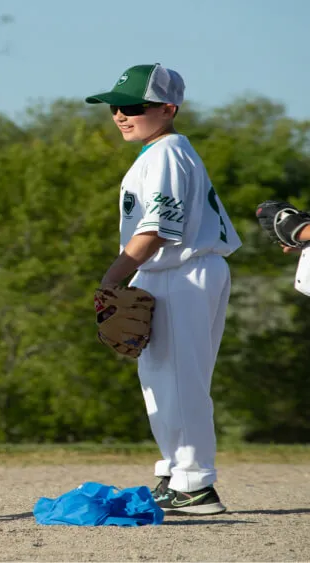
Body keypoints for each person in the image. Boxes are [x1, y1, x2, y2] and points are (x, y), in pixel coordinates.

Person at [85, 64, 241, 515]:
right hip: (180, 272)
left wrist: (113, 277)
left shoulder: (167, 153)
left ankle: (195, 482)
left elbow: (156, 230)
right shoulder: (163, 151)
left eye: (134, 106)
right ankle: (177, 472)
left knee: (178, 381)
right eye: (115, 106)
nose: (119, 114)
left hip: (180, 271)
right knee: (165, 381)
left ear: (169, 108)